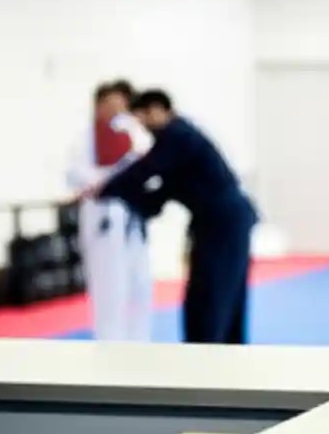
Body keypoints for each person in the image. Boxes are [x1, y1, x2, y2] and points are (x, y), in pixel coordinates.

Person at [81, 90, 259, 345]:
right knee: (220, 291)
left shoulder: (178, 135)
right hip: (223, 221)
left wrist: (104, 188)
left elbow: (146, 170)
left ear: (156, 110)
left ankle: (209, 353)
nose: (142, 127)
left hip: (223, 222)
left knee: (213, 292)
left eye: (142, 119)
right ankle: (219, 349)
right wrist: (119, 196)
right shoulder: (179, 143)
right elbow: (160, 195)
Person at [65, 79, 155, 342]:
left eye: (121, 104)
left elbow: (149, 169)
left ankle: (140, 345)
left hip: (133, 219)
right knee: (108, 291)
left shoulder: (136, 134)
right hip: (102, 219)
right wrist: (108, 181)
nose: (116, 110)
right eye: (110, 104)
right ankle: (108, 347)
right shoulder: (84, 139)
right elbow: (75, 176)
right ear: (98, 106)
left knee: (139, 289)